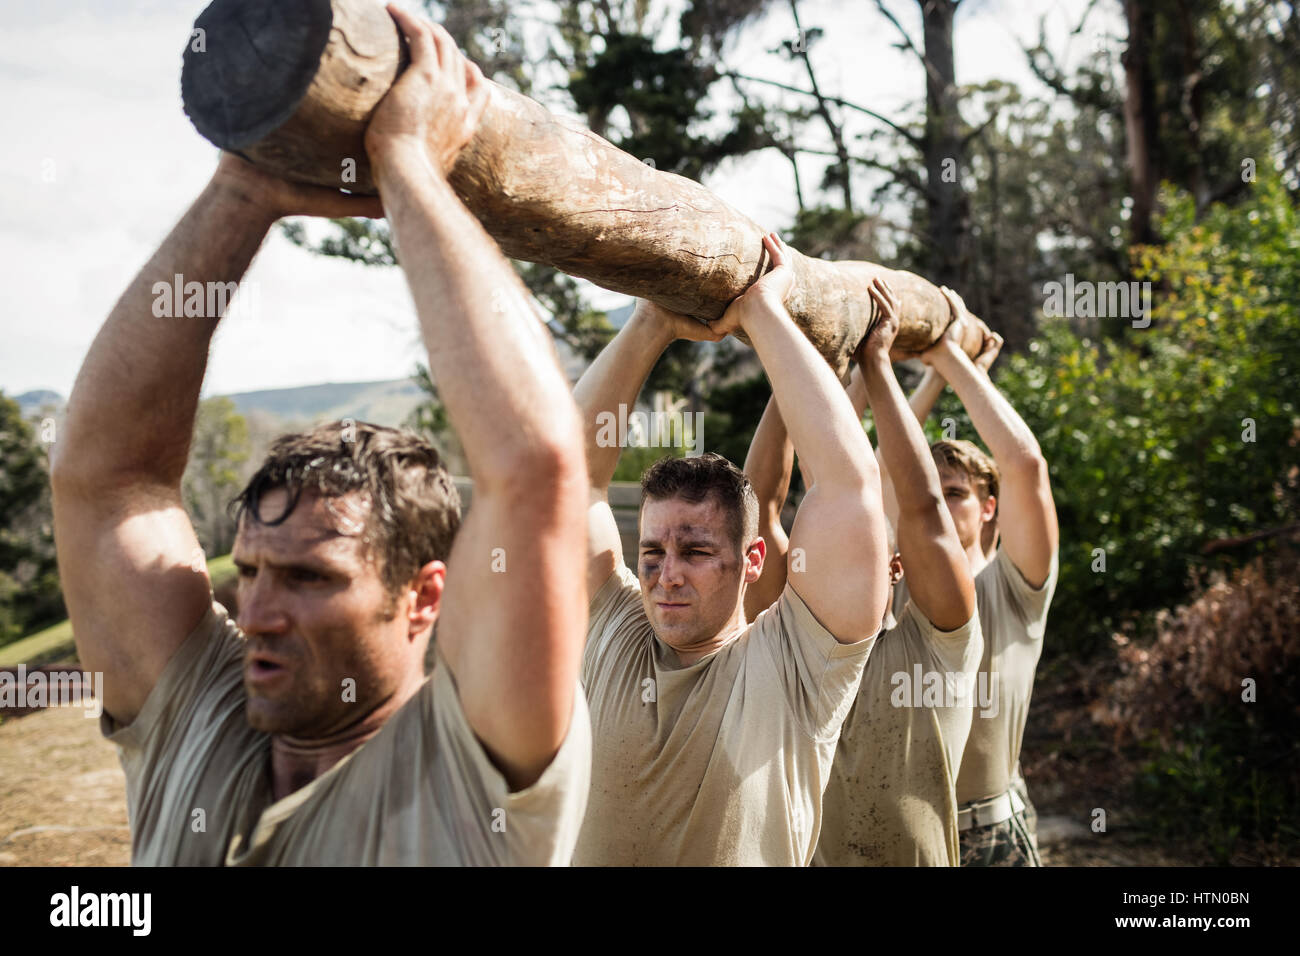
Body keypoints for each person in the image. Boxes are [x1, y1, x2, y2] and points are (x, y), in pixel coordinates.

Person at [50, 6, 591, 865]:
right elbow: (107, 479)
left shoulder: (469, 764)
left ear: (424, 599)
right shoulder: (200, 716)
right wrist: (242, 192)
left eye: (308, 577)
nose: (256, 612)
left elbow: (534, 465)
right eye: (254, 569)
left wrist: (408, 161)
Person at [572, 234, 891, 865]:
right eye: (653, 552)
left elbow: (848, 488)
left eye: (695, 553)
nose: (666, 576)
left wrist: (763, 312)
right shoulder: (613, 625)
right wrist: (649, 323)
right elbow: (570, 482)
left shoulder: (799, 665)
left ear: (752, 562)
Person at [744, 278, 982, 866]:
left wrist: (877, 365)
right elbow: (757, 507)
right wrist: (798, 353)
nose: (848, 564)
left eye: (872, 554)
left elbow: (924, 510)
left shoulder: (938, 646)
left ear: (897, 570)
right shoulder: (794, 650)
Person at [891, 287, 1059, 866]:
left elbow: (1025, 466)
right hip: (899, 827)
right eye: (931, 491)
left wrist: (949, 357)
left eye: (956, 493)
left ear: (990, 507)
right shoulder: (898, 578)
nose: (938, 502)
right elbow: (877, 476)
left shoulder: (1015, 585)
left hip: (990, 835)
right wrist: (934, 378)